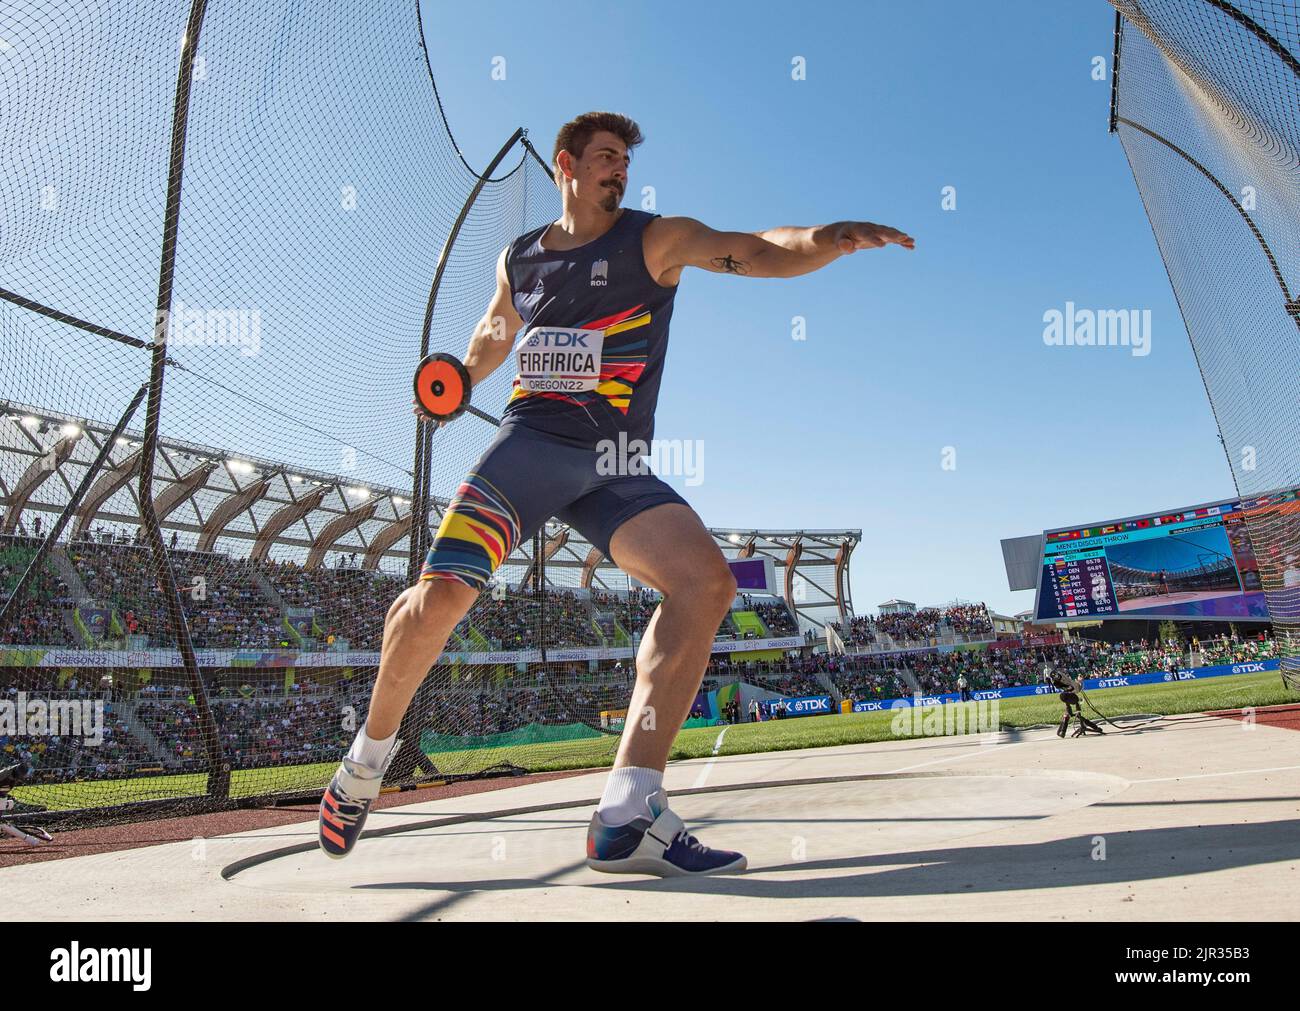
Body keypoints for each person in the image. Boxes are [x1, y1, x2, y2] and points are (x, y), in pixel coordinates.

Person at [318, 111, 914, 876]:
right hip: (532, 447)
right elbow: (497, 329)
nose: (618, 171)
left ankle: (628, 810)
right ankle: (365, 765)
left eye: (624, 162)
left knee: (705, 583)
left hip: (615, 461)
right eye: (604, 158)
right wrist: (463, 376)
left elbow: (755, 250)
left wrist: (828, 238)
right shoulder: (520, 259)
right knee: (436, 600)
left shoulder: (653, 239)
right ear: (566, 165)